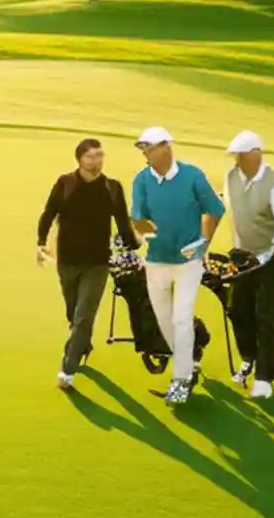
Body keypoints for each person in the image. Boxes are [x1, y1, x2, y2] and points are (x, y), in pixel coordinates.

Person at [130, 127, 225, 405]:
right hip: (157, 259)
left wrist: (203, 244)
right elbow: (139, 216)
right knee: (164, 320)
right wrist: (144, 232)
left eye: (148, 147)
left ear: (165, 147)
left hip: (188, 261)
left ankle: (181, 380)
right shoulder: (141, 180)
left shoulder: (192, 176)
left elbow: (215, 209)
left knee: (181, 318)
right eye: (142, 149)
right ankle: (190, 363)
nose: (145, 153)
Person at [37, 138, 140, 391]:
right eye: (91, 156)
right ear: (80, 159)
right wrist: (40, 242)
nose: (96, 161)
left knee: (84, 316)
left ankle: (67, 370)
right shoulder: (65, 184)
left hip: (97, 263)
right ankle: (82, 343)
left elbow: (123, 224)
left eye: (100, 156)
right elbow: (49, 214)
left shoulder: (112, 188)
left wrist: (135, 245)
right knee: (74, 313)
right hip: (68, 261)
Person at [223, 130, 274, 399]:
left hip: (271, 257)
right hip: (241, 254)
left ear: (256, 154)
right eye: (234, 156)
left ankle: (264, 377)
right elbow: (226, 205)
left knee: (268, 316)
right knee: (237, 309)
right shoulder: (231, 177)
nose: (236, 160)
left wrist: (265, 256)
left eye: (241, 155)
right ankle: (248, 357)